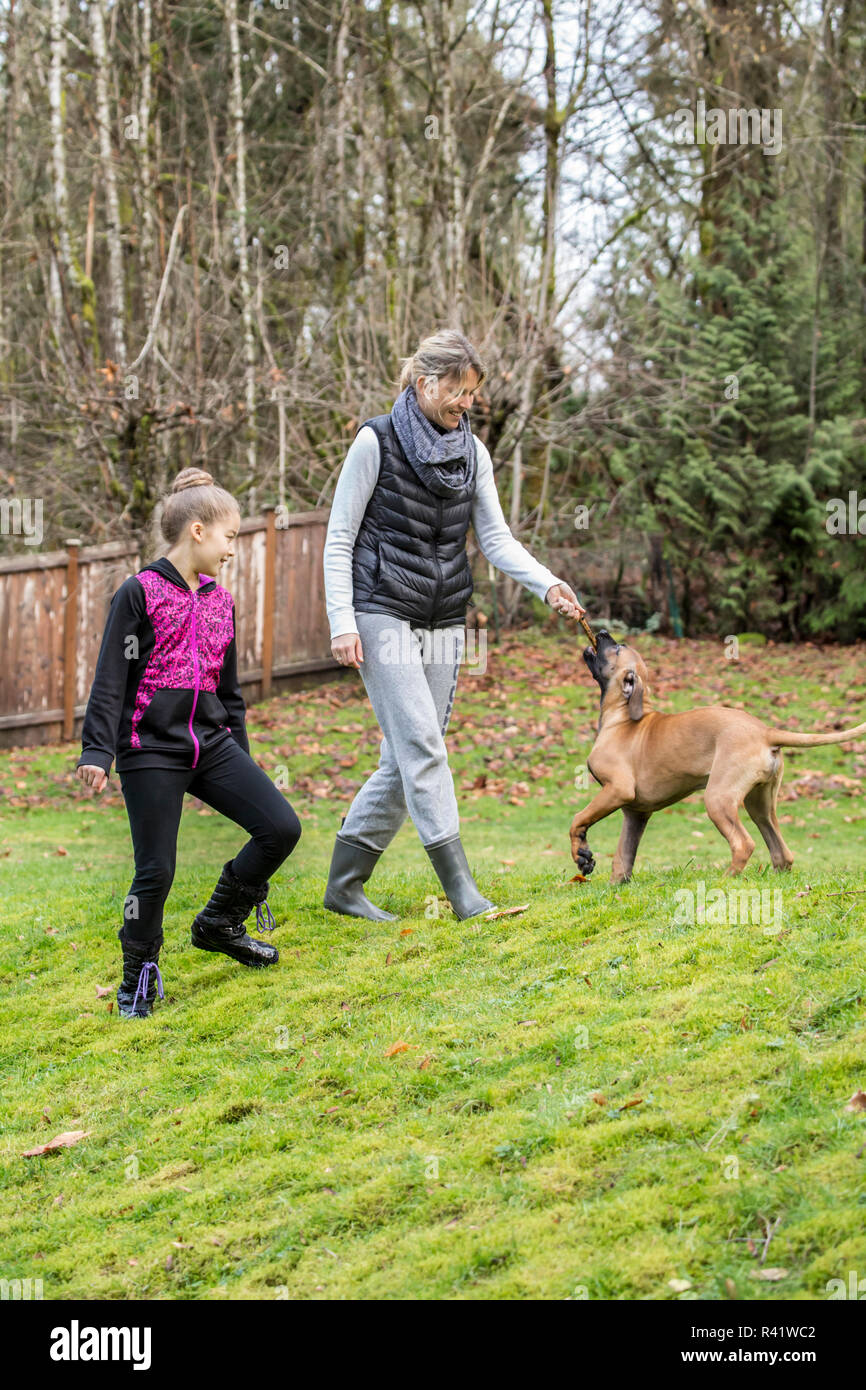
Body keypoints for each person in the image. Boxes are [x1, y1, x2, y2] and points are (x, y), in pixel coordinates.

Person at [321, 329, 585, 922]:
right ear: (425, 384)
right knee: (419, 745)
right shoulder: (376, 440)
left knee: (414, 751)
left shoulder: (474, 454)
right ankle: (464, 892)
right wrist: (343, 619)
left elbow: (494, 539)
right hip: (380, 606)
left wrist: (548, 583)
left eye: (473, 393)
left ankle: (344, 886)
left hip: (443, 617)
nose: (467, 403)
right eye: (459, 390)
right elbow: (339, 538)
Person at [74, 468, 301, 1018]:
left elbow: (231, 689)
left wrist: (241, 755)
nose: (232, 549)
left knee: (281, 828)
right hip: (149, 748)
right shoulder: (138, 593)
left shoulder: (220, 602)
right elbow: (111, 678)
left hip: (212, 741)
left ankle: (220, 923)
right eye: (230, 536)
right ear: (197, 531)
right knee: (156, 872)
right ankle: (139, 975)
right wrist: (97, 752)